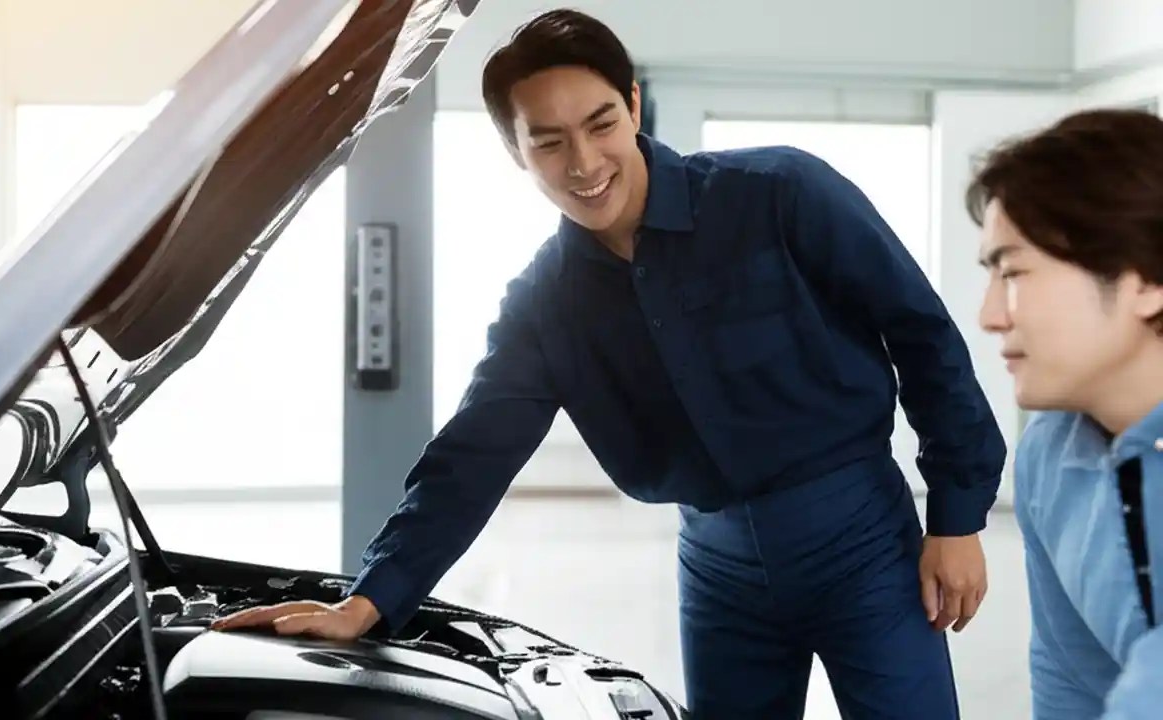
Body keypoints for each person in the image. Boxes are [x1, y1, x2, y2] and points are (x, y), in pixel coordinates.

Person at [213, 8, 1005, 717]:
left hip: (864, 541)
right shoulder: (544, 304)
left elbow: (921, 332)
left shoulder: (779, 193)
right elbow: (472, 456)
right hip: (719, 575)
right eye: (548, 142)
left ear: (632, 104)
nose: (584, 163)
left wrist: (958, 515)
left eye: (599, 124)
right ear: (515, 152)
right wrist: (370, 600)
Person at [970, 108, 1163, 719]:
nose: (991, 315)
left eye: (1016, 274)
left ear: (1147, 279)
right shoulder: (1050, 453)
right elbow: (1074, 673)